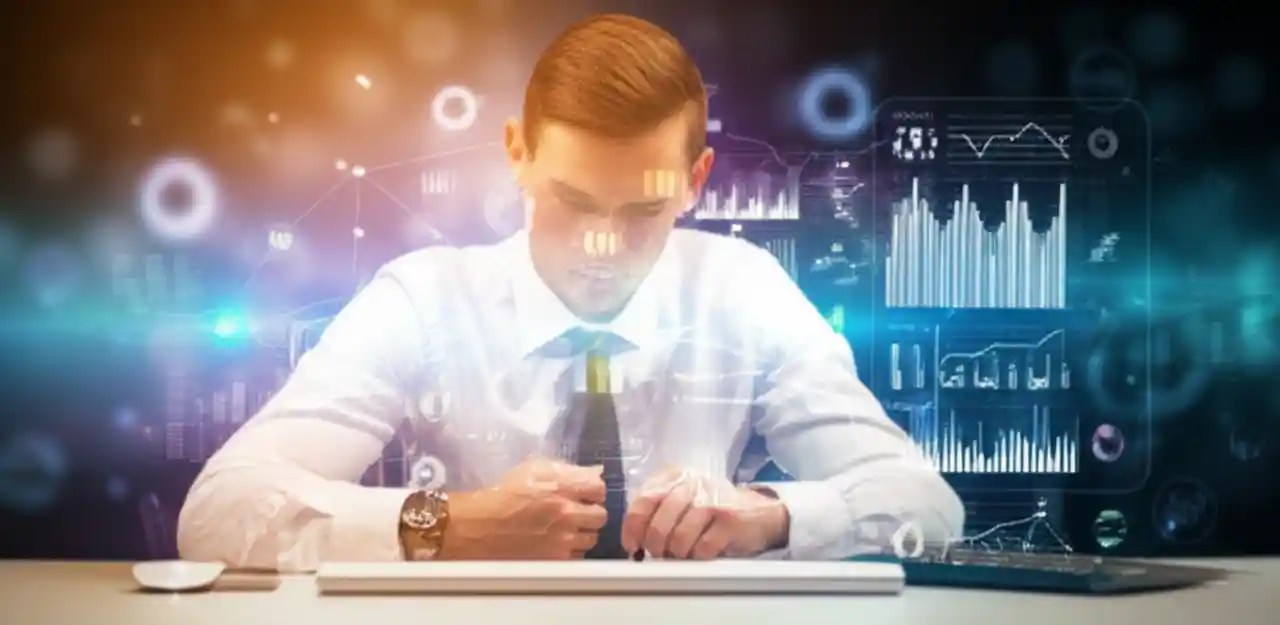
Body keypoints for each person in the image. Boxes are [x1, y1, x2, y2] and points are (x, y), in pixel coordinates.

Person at [176, 13, 963, 571]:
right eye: (575, 202)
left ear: (696, 183)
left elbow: (925, 507)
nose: (603, 247)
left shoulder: (743, 292)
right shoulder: (423, 300)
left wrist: (770, 518)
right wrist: (451, 527)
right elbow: (219, 511)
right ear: (517, 155)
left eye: (643, 210)